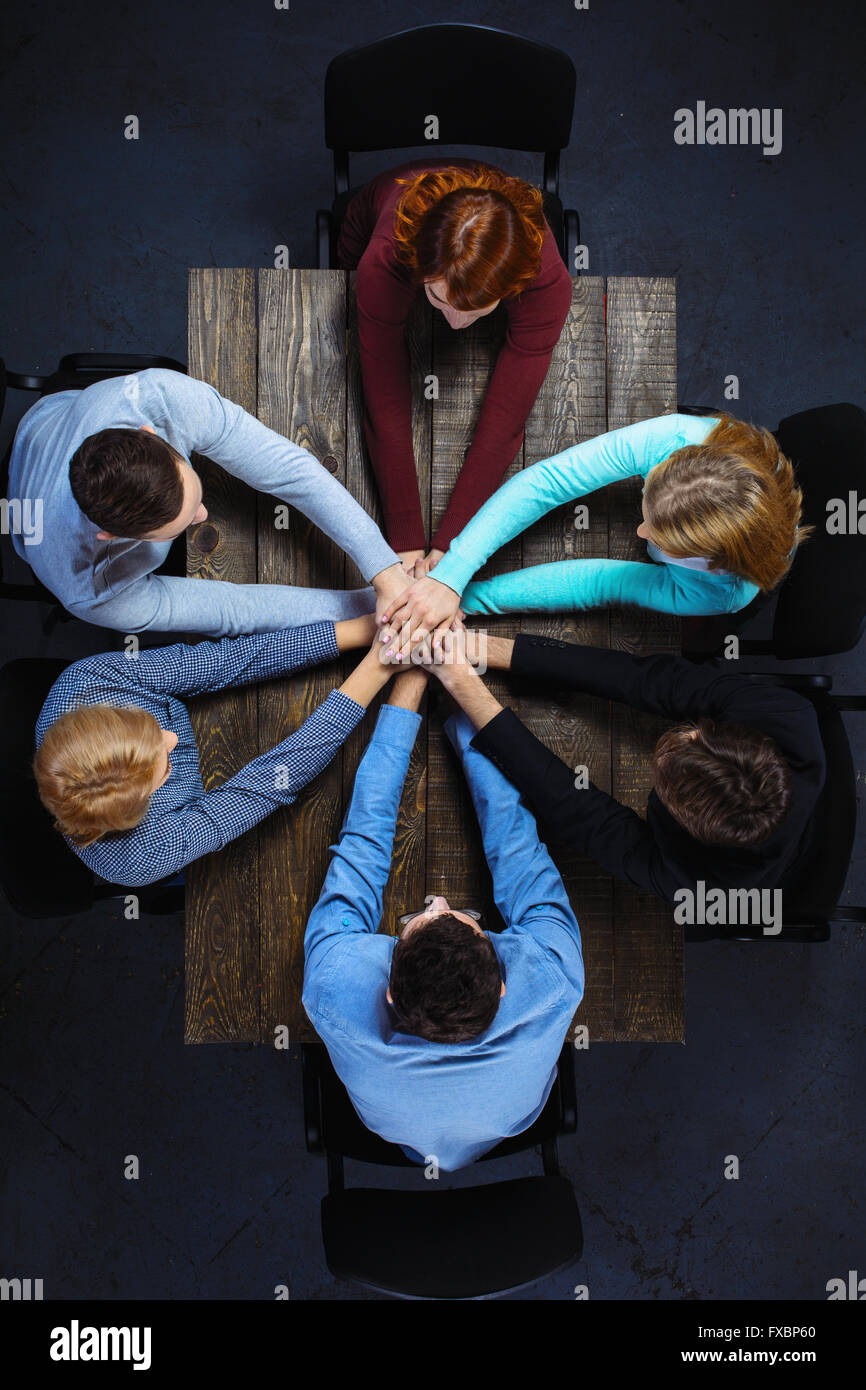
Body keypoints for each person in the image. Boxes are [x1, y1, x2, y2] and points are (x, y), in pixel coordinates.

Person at [302, 658, 584, 1172]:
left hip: (401, 1131)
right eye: (455, 914)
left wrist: (410, 683)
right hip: (502, 1123)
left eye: (429, 915)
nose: (438, 901)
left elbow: (363, 844)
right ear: (504, 983)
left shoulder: (335, 983)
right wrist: (459, 697)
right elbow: (515, 846)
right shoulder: (552, 975)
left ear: (386, 990)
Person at [423, 629, 826, 908]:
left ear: (681, 819)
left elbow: (578, 811)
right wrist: (481, 647)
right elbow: (649, 680)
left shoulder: (697, 883)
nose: (682, 736)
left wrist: (463, 684)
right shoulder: (788, 715)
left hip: (792, 878)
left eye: (665, 773)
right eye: (697, 733)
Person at [8, 367, 408, 635]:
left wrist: (385, 570)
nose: (202, 515)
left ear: (153, 434)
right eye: (181, 525)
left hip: (47, 419)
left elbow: (290, 470)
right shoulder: (89, 591)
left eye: (193, 497)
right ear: (109, 536)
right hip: (31, 510)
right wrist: (370, 607)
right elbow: (232, 609)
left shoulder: (161, 396)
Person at [379, 412, 811, 651]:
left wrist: (469, 600)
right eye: (647, 509)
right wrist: (449, 577)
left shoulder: (721, 593)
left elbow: (600, 582)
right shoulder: (680, 437)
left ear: (709, 559)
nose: (640, 531)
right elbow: (548, 483)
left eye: (660, 539)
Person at [33, 616, 397, 888]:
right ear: (142, 805)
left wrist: (372, 628)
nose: (171, 739)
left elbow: (226, 662)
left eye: (150, 726)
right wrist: (379, 665)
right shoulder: (140, 856)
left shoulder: (89, 681)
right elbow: (268, 784)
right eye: (163, 766)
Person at [338, 159, 572, 575]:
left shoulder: (546, 279)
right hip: (366, 224)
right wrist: (405, 537)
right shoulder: (386, 258)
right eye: (437, 299)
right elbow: (384, 395)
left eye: (475, 309)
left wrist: (454, 545)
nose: (454, 323)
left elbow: (506, 419)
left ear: (514, 289)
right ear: (419, 272)